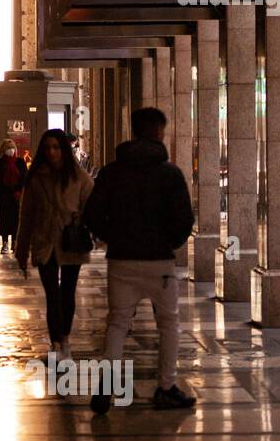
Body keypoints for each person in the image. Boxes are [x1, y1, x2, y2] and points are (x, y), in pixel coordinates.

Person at [82, 106, 196, 414]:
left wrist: (112, 236)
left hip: (121, 260)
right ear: (159, 132)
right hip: (158, 260)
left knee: (117, 323)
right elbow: (185, 218)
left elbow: (92, 214)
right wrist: (167, 242)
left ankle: (106, 385)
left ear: (133, 131)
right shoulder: (170, 173)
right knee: (169, 323)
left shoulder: (112, 172)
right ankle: (166, 387)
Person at [15, 128, 94, 358]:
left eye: (56, 147)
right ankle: (56, 343)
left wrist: (88, 225)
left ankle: (65, 339)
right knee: (52, 293)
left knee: (67, 292)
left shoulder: (79, 177)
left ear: (64, 150)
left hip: (71, 241)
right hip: (44, 241)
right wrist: (21, 249)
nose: (52, 152)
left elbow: (92, 205)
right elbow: (26, 214)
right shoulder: (36, 178)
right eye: (48, 147)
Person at [0, 138, 27, 253]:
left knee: (15, 219)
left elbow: (24, 179)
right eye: (8, 148)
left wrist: (21, 192)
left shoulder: (20, 162)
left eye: (12, 148)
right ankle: (4, 242)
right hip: (3, 195)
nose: (11, 150)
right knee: (4, 219)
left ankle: (14, 241)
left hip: (16, 195)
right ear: (3, 150)